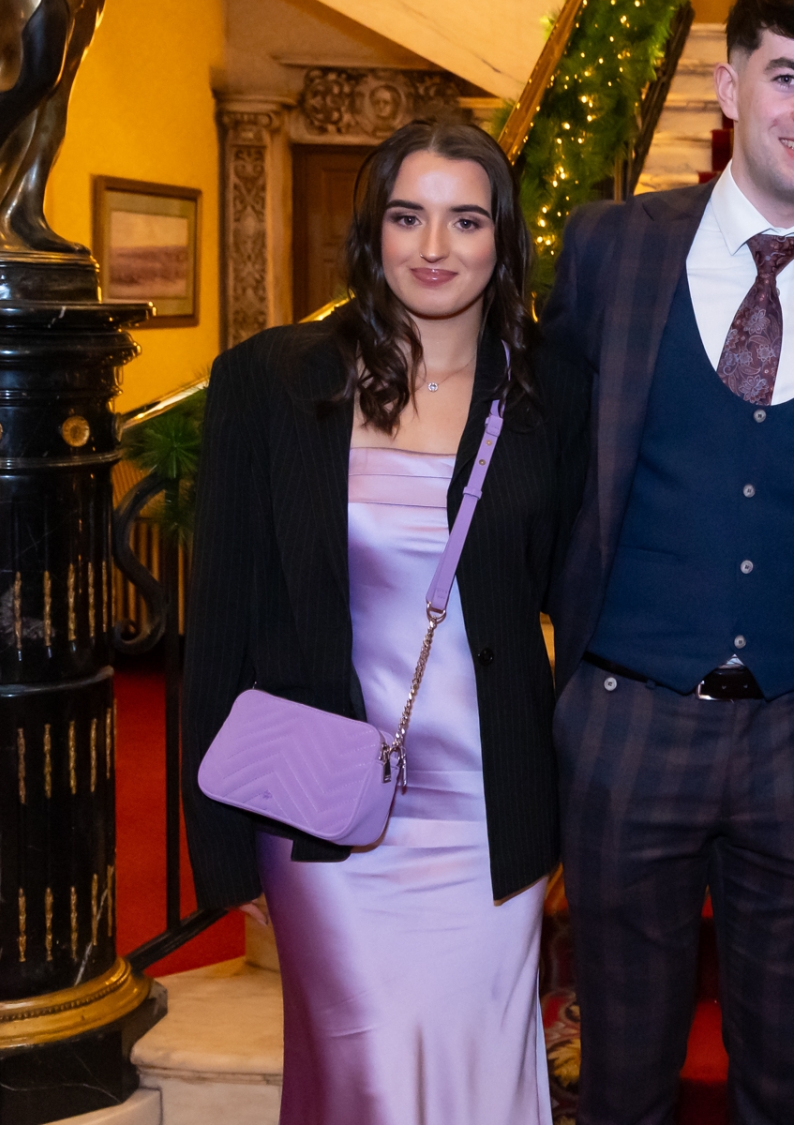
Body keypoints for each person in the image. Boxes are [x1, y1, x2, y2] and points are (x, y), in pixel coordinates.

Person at [539, 0, 794, 1124]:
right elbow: (551, 458)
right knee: (621, 1074)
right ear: (728, 86)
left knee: (787, 1076)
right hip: (628, 718)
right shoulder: (612, 249)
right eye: (786, 77)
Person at [182, 120, 589, 1124]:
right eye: (408, 217)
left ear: (503, 240)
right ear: (375, 231)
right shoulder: (273, 382)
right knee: (364, 1071)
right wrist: (222, 846)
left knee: (477, 1062)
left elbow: (578, 598)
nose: (435, 247)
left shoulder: (553, 390)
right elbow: (222, 616)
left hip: (489, 809)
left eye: (466, 219)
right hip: (327, 806)